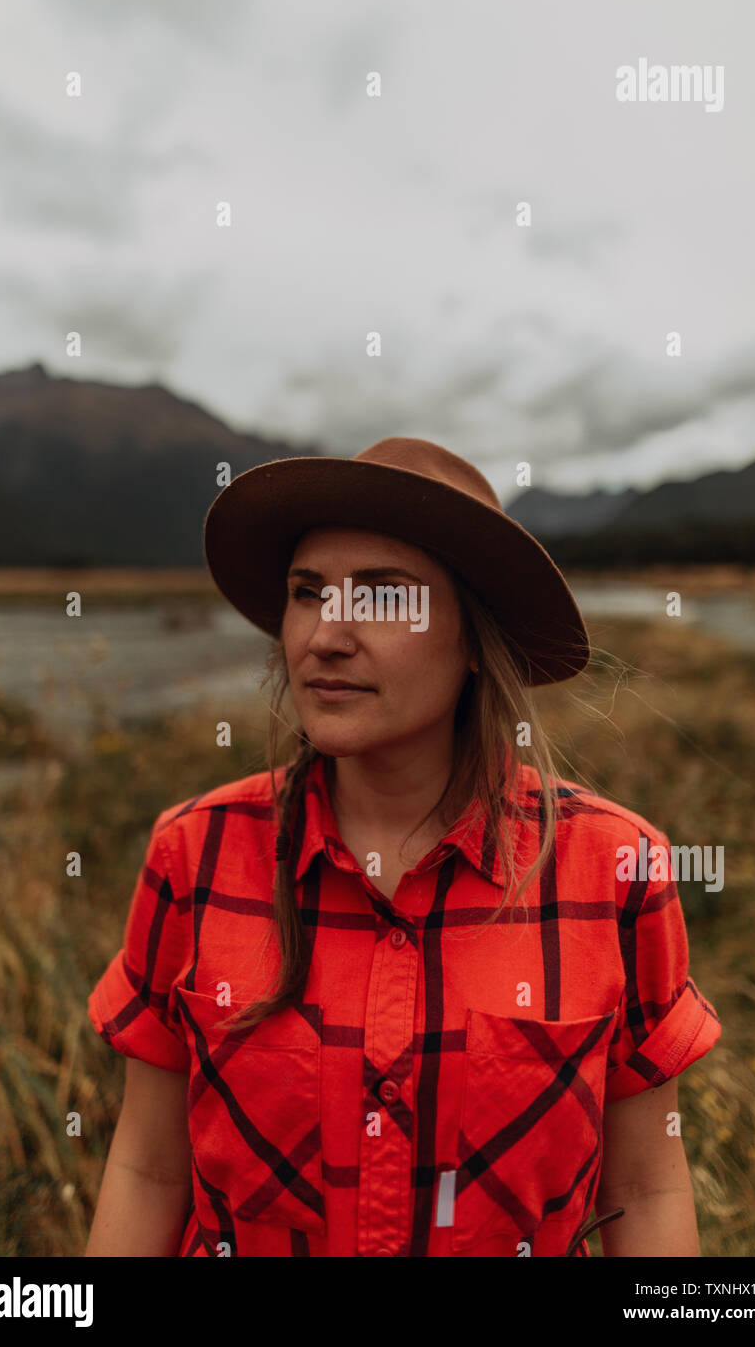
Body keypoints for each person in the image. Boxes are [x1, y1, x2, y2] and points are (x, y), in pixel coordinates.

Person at [85, 436, 721, 1258]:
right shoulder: (197, 854)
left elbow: (644, 1187)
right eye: (307, 592)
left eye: (385, 597)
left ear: (471, 641)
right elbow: (147, 1171)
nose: (325, 635)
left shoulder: (614, 869)